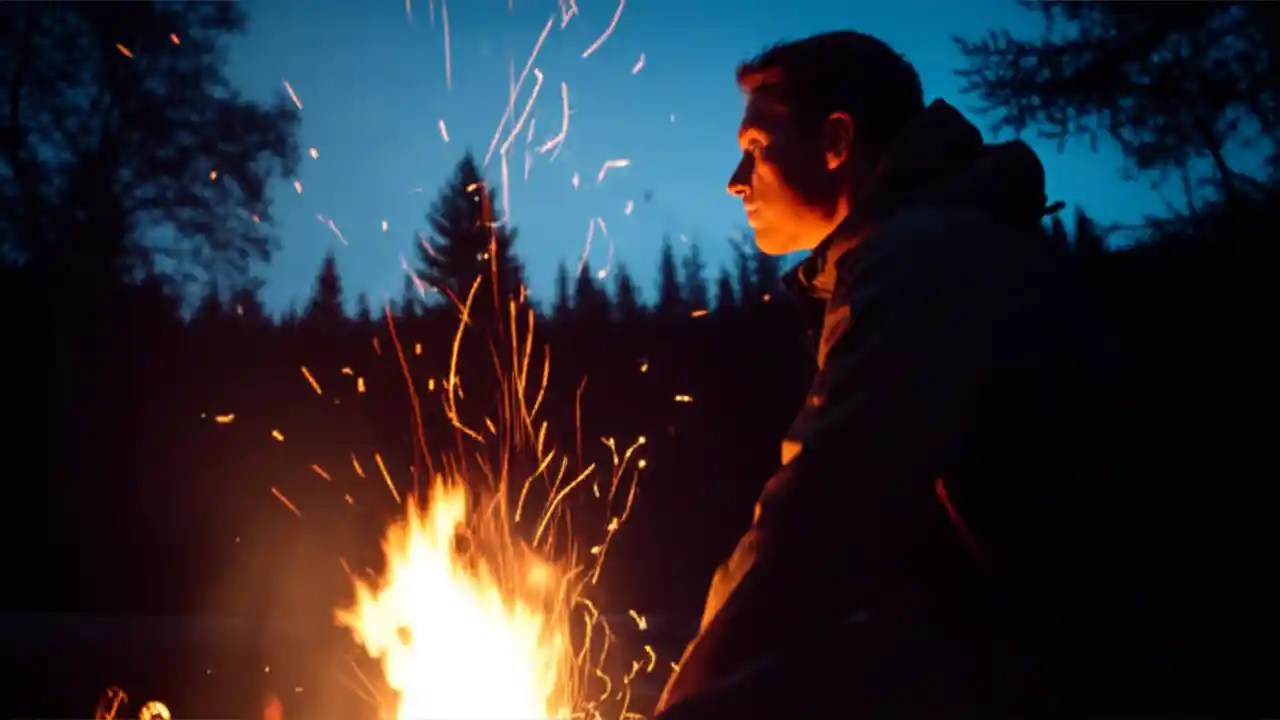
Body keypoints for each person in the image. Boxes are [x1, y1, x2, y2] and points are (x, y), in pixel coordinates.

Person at [654, 31, 1091, 717]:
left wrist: (687, 701)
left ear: (836, 140)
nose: (736, 180)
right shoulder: (923, 246)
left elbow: (821, 511)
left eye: (756, 150)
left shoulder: (922, 260)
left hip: (1057, 652)